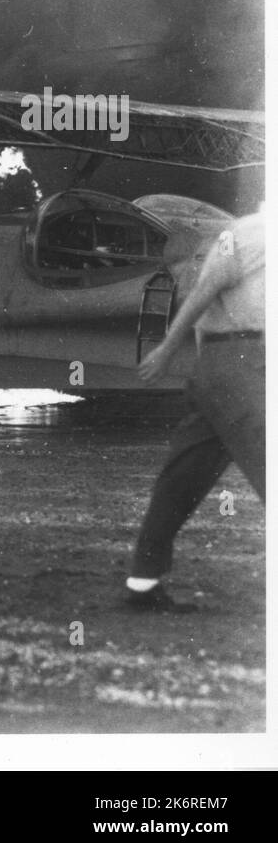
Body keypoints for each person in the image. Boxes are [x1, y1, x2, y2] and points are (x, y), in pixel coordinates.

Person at [126, 206, 265, 611]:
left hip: (234, 364)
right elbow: (203, 293)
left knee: (183, 478)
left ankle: (143, 583)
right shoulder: (250, 233)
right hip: (239, 360)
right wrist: (167, 349)